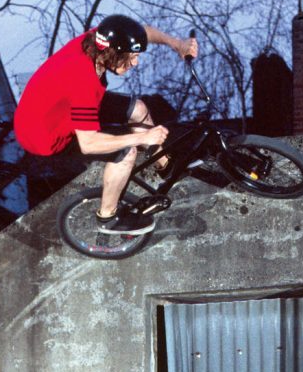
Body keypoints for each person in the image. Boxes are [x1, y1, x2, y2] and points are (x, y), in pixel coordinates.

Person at [14, 14, 199, 234]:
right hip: (44, 135)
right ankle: (108, 218)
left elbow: (143, 32)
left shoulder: (100, 39)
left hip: (57, 105)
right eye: (131, 57)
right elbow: (89, 143)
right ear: (113, 53)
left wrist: (177, 44)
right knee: (126, 152)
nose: (135, 62)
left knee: (138, 108)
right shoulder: (82, 79)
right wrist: (142, 137)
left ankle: (165, 166)